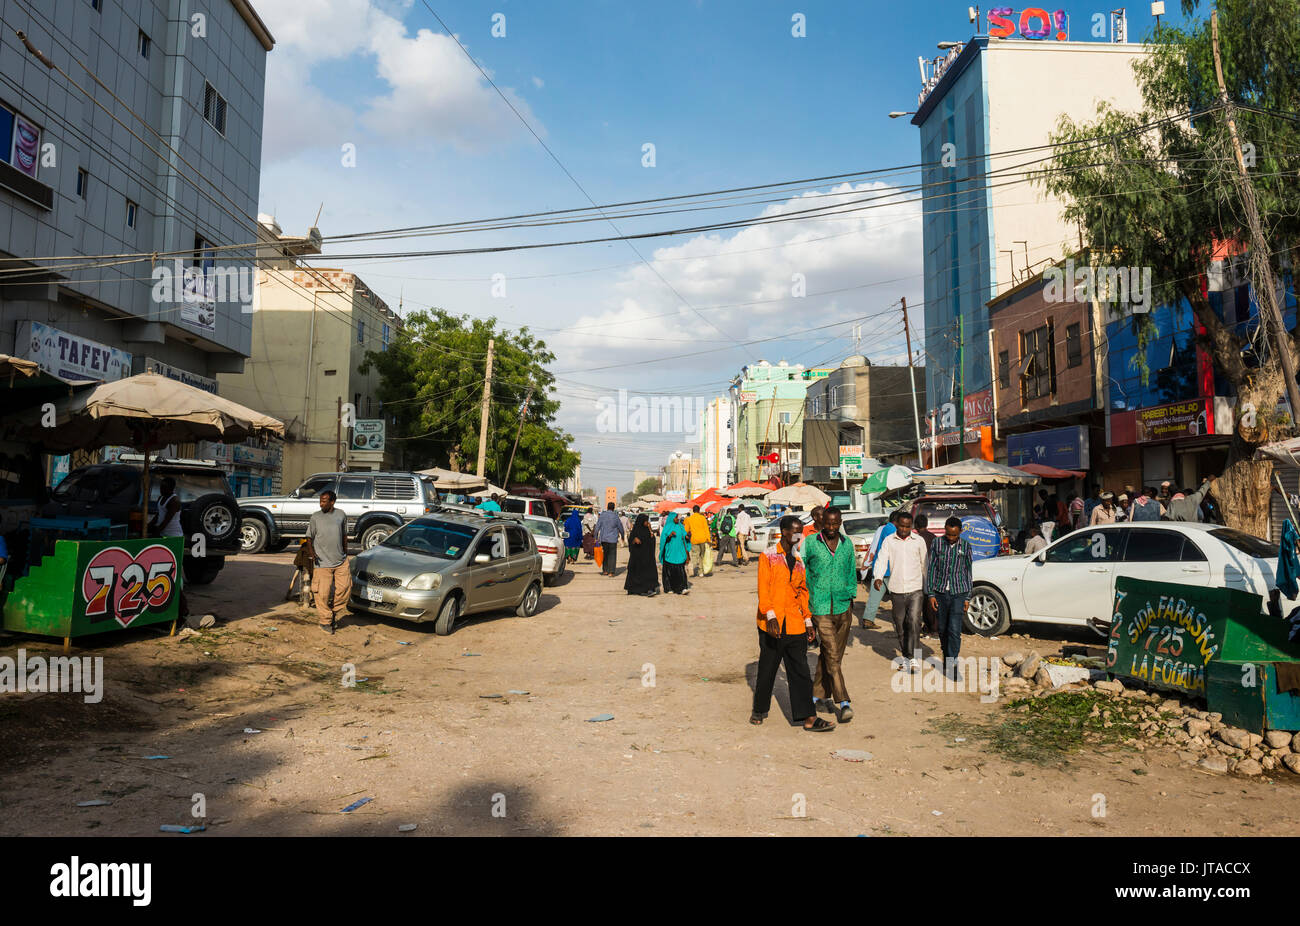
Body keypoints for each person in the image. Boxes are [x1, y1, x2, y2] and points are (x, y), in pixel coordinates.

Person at [750, 515, 834, 731]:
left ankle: (808, 717)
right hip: (772, 624)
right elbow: (764, 589)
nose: (798, 536)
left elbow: (802, 592)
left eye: (801, 531)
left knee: (800, 670)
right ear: (784, 532)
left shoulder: (798, 561)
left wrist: (807, 620)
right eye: (795, 531)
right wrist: (769, 617)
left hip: (795, 623)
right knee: (768, 668)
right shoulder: (768, 556)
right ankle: (759, 709)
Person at [803, 507, 858, 722]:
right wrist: (806, 601)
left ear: (841, 522)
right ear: (821, 522)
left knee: (831, 654)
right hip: (820, 606)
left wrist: (851, 594)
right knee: (832, 654)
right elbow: (803, 570)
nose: (832, 528)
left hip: (844, 606)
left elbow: (851, 570)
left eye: (836, 524)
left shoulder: (847, 545)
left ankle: (816, 695)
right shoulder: (811, 543)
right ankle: (844, 703)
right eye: (828, 523)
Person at [873, 512, 928, 671]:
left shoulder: (919, 541)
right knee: (900, 624)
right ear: (896, 524)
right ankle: (906, 656)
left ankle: (914, 657)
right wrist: (878, 577)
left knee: (914, 621)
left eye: (907, 526)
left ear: (911, 526)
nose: (904, 529)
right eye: (901, 526)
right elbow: (882, 559)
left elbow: (925, 563)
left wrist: (927, 587)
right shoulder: (889, 541)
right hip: (896, 589)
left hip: (915, 588)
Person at [926, 517, 974, 679]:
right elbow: (931, 568)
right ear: (945, 531)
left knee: (954, 629)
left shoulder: (966, 546)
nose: (951, 538)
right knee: (942, 629)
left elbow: (968, 572)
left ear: (960, 532)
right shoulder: (937, 544)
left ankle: (953, 663)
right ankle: (947, 656)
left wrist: (968, 597)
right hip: (940, 592)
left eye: (954, 535)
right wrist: (931, 594)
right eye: (948, 534)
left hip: (959, 592)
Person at [305, 489, 350, 634]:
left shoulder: (341, 515)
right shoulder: (315, 517)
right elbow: (309, 538)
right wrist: (312, 553)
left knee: (344, 590)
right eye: (320, 501)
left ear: (332, 502)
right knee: (321, 594)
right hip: (322, 562)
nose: (321, 504)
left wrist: (345, 552)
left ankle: (333, 613)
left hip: (340, 561)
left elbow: (344, 535)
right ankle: (325, 621)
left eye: (324, 501)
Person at [150, 476, 189, 617]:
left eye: (164, 486)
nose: (161, 488)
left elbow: (167, 519)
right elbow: (159, 515)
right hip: (164, 535)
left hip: (173, 536)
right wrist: (150, 526)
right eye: (161, 486)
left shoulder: (174, 501)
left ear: (171, 488)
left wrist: (157, 530)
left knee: (174, 566)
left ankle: (180, 596)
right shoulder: (161, 498)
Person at [859, 510, 899, 630]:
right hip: (889, 569)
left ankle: (868, 620)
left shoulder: (884, 528)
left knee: (874, 597)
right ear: (897, 521)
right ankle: (901, 621)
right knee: (899, 598)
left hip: (880, 568)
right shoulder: (891, 530)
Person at [623, 514, 659, 596]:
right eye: (646, 521)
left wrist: (650, 529)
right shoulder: (635, 531)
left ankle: (648, 589)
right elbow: (631, 541)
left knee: (648, 572)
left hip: (647, 556)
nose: (647, 522)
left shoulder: (647, 530)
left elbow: (652, 540)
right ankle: (634, 589)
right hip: (637, 556)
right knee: (636, 571)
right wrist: (634, 540)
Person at [659, 512, 690, 595]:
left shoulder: (680, 526)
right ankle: (669, 588)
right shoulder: (667, 527)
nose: (677, 519)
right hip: (669, 554)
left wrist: (687, 537)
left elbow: (685, 536)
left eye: (677, 517)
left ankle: (682, 588)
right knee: (668, 572)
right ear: (672, 518)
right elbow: (663, 540)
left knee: (681, 571)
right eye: (676, 517)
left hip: (679, 553)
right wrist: (669, 535)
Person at [595, 502, 625, 576]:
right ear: (613, 508)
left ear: (607, 507)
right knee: (612, 555)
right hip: (613, 539)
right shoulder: (616, 516)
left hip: (604, 539)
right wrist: (622, 536)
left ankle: (605, 571)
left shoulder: (602, 515)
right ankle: (611, 572)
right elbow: (620, 527)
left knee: (605, 554)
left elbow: (597, 527)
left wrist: (596, 537)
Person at [685, 505, 711, 577]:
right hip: (703, 539)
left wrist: (684, 536)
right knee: (701, 556)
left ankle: (692, 569)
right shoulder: (703, 518)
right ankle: (701, 572)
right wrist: (709, 539)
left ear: (693, 511)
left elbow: (686, 530)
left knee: (695, 555)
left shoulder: (689, 519)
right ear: (699, 511)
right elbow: (706, 529)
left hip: (694, 539)